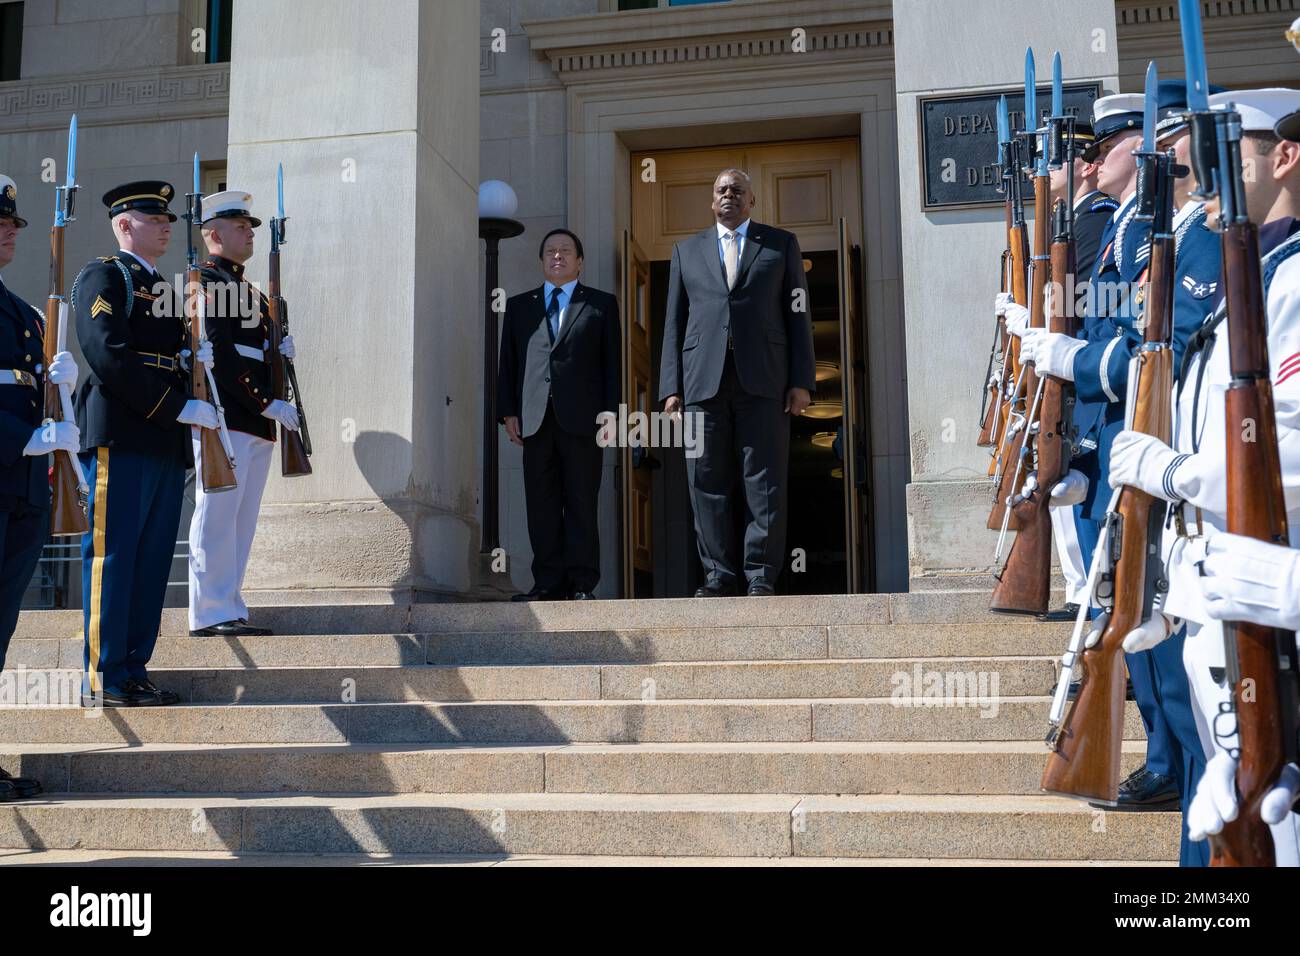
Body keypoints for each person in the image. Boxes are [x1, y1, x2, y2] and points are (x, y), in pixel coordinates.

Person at [1106, 88, 1300, 862]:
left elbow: (1283, 449)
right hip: (1211, 587)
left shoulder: (1285, 284)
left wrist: (1177, 473)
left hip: (1268, 596)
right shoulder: (1244, 288)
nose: (1209, 182)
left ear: (1285, 157)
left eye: (1232, 159)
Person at [74, 181, 216, 706]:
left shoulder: (169, 290)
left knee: (153, 560)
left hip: (161, 439)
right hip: (125, 430)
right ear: (124, 224)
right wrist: (175, 406)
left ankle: (134, 668)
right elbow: (107, 354)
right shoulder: (104, 275)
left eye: (168, 220)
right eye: (154, 218)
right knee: (113, 557)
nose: (167, 225)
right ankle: (104, 675)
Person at [658, 168, 816, 597]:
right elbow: (673, 322)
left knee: (764, 482)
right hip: (700, 385)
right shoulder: (685, 251)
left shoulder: (780, 245)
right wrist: (671, 387)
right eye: (721, 190)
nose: (729, 195)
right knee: (705, 482)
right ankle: (718, 576)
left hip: (764, 382)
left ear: (752, 202)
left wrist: (802, 380)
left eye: (737, 190)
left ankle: (760, 575)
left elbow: (797, 315)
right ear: (712, 202)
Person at [995, 119, 1117, 620]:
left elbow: (1087, 304)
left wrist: (1037, 324)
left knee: (1071, 486)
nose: (1038, 169)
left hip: (1082, 370)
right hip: (1067, 364)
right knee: (1054, 483)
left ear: (1087, 165)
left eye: (1053, 159)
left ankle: (1084, 593)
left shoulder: (1093, 221)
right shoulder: (1076, 218)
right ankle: (1077, 589)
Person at [188, 190, 301, 636]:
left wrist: (280, 352)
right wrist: (262, 399)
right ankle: (208, 612)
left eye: (251, 227)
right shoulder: (205, 281)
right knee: (217, 514)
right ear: (213, 233)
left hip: (257, 420)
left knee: (242, 519)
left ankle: (229, 604)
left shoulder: (250, 291)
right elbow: (217, 351)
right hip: (226, 413)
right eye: (240, 226)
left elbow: (253, 352)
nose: (249, 233)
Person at [0, 174, 79, 797]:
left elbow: (36, 395)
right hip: (9, 462)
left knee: (2, 627)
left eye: (10, 226)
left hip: (23, 488)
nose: (7, 233)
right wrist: (23, 438)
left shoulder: (25, 314)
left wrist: (63, 395)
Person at [497, 228, 620, 601]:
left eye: (565, 251)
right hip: (535, 420)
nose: (557, 256)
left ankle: (582, 583)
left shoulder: (600, 304)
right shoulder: (520, 306)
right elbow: (509, 364)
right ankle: (548, 582)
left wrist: (611, 414)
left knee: (582, 501)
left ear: (579, 262)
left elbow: (612, 364)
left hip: (584, 420)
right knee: (542, 503)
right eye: (550, 251)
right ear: (541, 261)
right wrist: (508, 413)